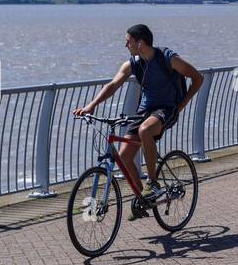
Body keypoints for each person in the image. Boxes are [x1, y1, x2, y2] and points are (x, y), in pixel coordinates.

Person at [74, 24, 203, 219]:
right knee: (125, 156)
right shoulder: (133, 63)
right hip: (145, 111)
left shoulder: (168, 58)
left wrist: (181, 105)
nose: (126, 44)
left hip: (167, 109)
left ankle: (152, 182)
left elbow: (197, 78)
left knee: (145, 131)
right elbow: (113, 85)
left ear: (140, 43)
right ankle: (143, 200)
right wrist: (91, 106)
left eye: (128, 41)